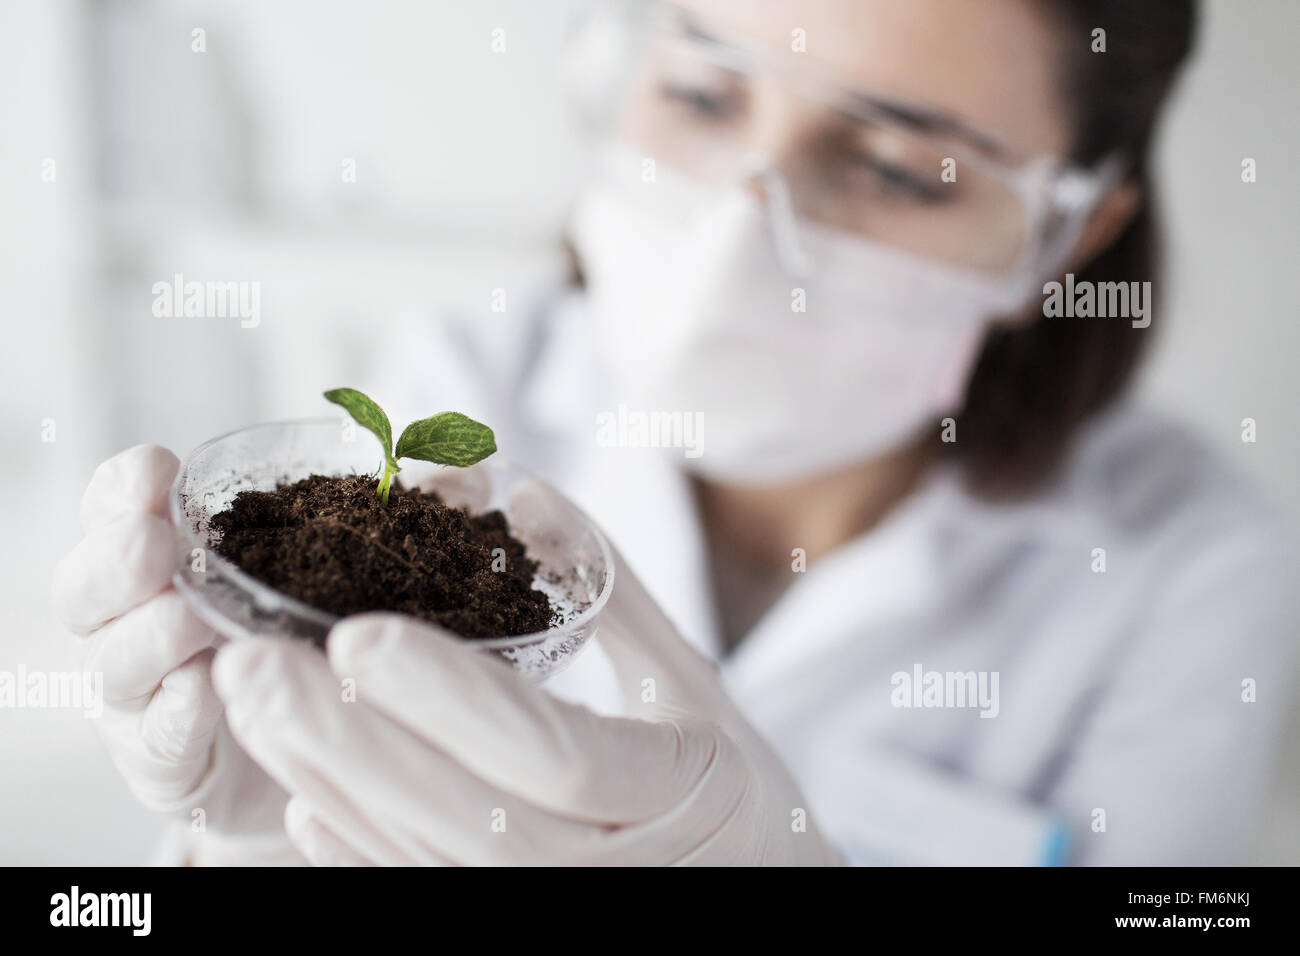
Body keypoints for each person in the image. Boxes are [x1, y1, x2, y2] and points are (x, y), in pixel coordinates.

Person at [52, 0, 1294, 865]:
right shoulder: (471, 384)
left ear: (1071, 239)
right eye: (702, 93)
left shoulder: (1184, 564)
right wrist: (262, 838)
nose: (733, 239)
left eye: (903, 170)